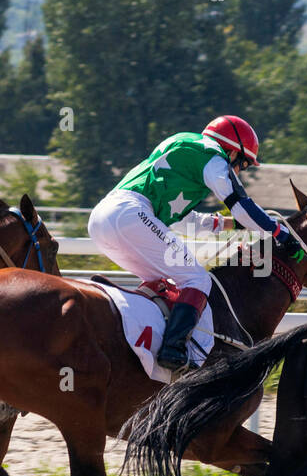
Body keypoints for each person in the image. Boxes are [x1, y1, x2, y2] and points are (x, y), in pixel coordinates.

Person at [87, 114, 292, 372]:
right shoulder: (215, 158)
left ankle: (134, 340)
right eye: (244, 164)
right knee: (198, 280)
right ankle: (174, 351)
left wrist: (229, 225)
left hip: (103, 217)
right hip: (129, 214)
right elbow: (242, 207)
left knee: (169, 282)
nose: (239, 171)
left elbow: (184, 222)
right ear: (232, 153)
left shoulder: (188, 149)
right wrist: (280, 233)